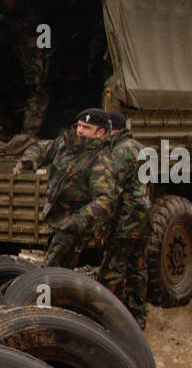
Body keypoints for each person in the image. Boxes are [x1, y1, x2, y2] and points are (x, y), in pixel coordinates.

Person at [13, 108, 116, 268]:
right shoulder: (66, 144)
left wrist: (79, 219)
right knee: (60, 273)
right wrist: (29, 159)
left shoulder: (100, 160)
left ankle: (46, 292)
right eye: (79, 126)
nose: (80, 131)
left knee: (50, 272)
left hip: (72, 228)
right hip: (56, 220)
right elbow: (42, 148)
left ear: (100, 133)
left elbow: (104, 199)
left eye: (86, 128)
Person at [97, 110, 151, 328]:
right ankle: (137, 318)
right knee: (137, 269)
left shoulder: (118, 152)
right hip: (143, 215)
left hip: (126, 218)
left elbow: (111, 192)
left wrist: (101, 225)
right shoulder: (138, 147)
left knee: (112, 270)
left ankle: (105, 322)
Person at [0, 0, 51, 136]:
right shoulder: (14, 17)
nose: (5, 2)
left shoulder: (32, 16)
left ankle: (29, 135)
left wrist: (7, 23)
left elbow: (42, 40)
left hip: (36, 69)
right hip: (23, 68)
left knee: (38, 97)